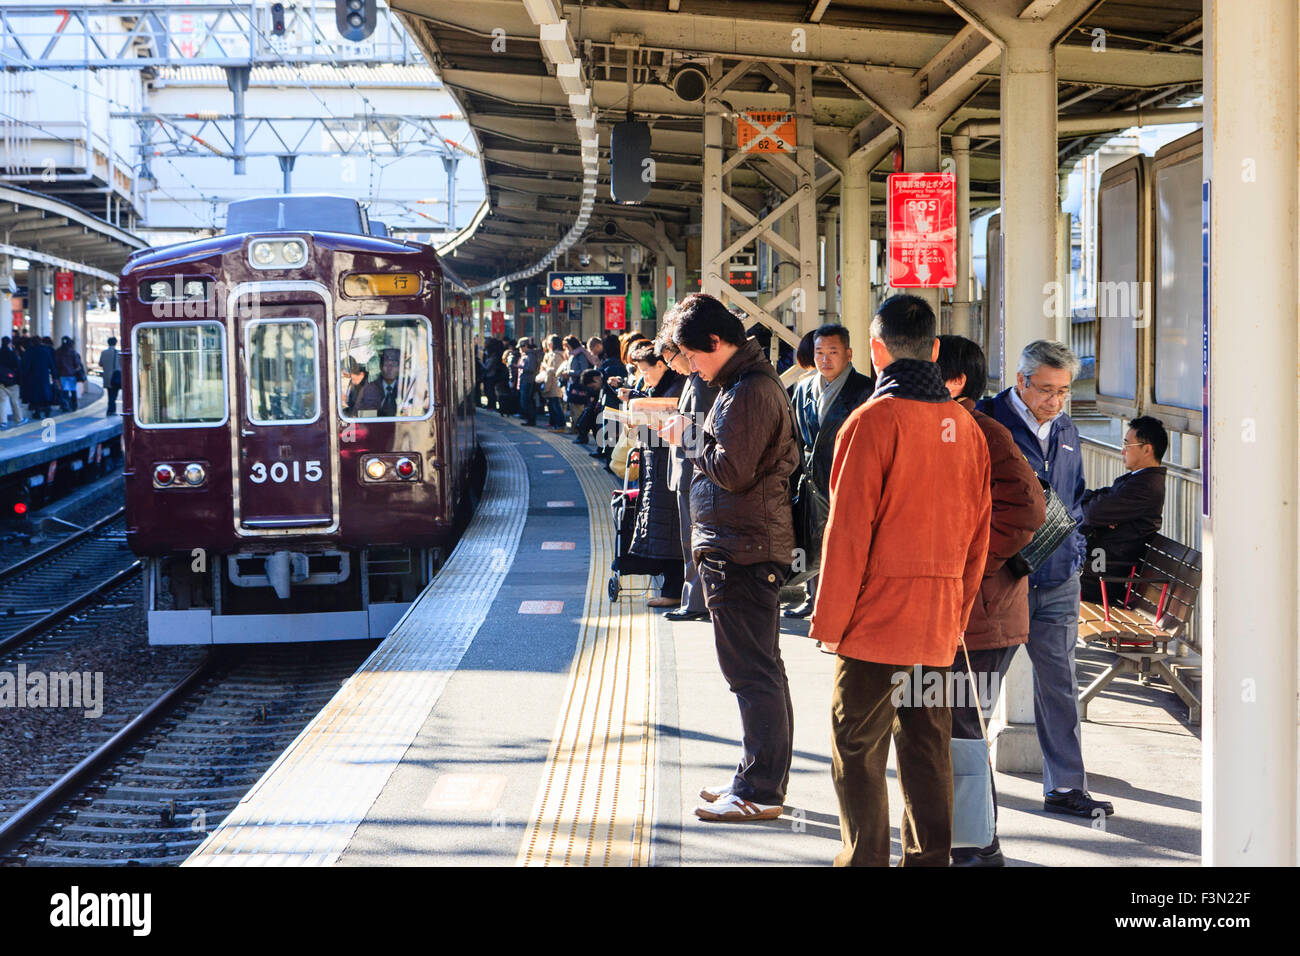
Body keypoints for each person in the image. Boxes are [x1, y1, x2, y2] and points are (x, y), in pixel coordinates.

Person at [810, 295, 991, 867]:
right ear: (935, 351)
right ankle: (928, 861)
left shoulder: (870, 422)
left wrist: (830, 622)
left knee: (857, 745)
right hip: (938, 622)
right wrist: (955, 616)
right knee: (927, 747)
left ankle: (863, 861)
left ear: (876, 350)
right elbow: (979, 538)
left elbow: (847, 534)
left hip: (873, 623)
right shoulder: (966, 428)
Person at [658, 293, 799, 823]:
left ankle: (761, 790)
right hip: (741, 544)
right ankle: (755, 776)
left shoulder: (751, 391)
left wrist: (685, 435)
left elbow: (733, 470)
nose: (690, 366)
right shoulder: (741, 385)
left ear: (716, 342)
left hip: (743, 547)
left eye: (693, 356)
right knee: (758, 670)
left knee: (752, 673)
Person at [976, 340, 1114, 819]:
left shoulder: (1068, 429)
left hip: (1057, 581)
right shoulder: (985, 421)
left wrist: (1073, 554)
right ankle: (970, 788)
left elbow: (1074, 500)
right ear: (1021, 381)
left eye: (1063, 391)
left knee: (1060, 684)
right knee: (980, 688)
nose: (1054, 401)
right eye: (1046, 390)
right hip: (1003, 581)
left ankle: (1065, 788)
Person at [937, 334, 1045, 867]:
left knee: (961, 729)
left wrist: (968, 563)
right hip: (973, 614)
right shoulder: (959, 429)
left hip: (981, 615)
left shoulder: (982, 431)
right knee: (954, 725)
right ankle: (970, 843)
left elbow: (1027, 510)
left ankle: (980, 849)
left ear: (955, 382)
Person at [785, 323, 874, 619]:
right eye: (819, 352)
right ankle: (813, 600)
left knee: (842, 546)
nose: (825, 358)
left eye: (833, 352)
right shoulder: (802, 388)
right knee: (810, 539)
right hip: (810, 479)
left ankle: (839, 605)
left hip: (847, 480)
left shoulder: (866, 390)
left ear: (848, 354)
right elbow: (795, 437)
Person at [656, 326, 718, 623]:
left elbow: (703, 431)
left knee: (691, 540)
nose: (672, 367)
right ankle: (694, 599)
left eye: (673, 360)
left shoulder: (702, 384)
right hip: (686, 471)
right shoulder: (694, 381)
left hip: (693, 471)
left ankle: (696, 601)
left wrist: (677, 431)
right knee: (688, 539)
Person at [1079, 416, 1169, 602]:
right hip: (1101, 562)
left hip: (1106, 569)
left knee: (1049, 574)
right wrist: (1102, 515)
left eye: (1128, 446)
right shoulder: (1138, 479)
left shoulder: (1145, 486)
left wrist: (1099, 514)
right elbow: (1095, 499)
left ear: (1147, 449)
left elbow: (1093, 513)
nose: (1122, 451)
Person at [624, 340, 686, 609]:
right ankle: (672, 588)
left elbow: (677, 435)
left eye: (646, 372)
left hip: (668, 470)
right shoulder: (663, 388)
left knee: (671, 530)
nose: (643, 378)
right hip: (659, 469)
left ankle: (674, 591)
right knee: (667, 529)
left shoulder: (675, 390)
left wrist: (640, 425)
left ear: (662, 365)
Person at [20, 336, 58, 420]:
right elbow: (51, 365)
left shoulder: (29, 351)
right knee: (45, 393)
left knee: (35, 395)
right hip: (44, 376)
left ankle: (37, 412)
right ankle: (47, 409)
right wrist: (55, 376)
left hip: (32, 377)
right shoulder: (45, 351)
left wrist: (24, 377)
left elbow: (26, 366)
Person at [360, 348, 403, 417]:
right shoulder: (370, 388)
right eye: (386, 364)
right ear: (380, 367)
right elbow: (362, 414)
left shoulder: (406, 387)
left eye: (394, 365)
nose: (390, 368)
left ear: (399, 368)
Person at [536, 335, 566, 430]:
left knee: (556, 404)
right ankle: (553, 423)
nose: (548, 344)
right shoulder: (550, 353)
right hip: (549, 382)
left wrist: (546, 367)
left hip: (555, 383)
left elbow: (557, 369)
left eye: (550, 342)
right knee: (551, 404)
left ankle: (560, 425)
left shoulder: (557, 355)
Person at [55, 336, 85, 412]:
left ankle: (65, 406)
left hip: (62, 374)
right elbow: (77, 364)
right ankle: (74, 405)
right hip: (72, 374)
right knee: (73, 390)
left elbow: (56, 364)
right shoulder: (73, 352)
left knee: (64, 390)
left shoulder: (58, 352)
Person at [0, 335, 25, 427]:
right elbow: (18, 368)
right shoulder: (12, 354)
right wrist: (20, 381)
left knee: (1, 402)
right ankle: (19, 419)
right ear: (9, 343)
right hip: (13, 381)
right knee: (15, 401)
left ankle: (3, 421)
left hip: (1, 382)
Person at [517, 338, 540, 426]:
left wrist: (520, 367)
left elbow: (531, 368)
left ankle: (531, 420)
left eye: (521, 347)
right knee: (526, 401)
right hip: (526, 380)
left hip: (528, 381)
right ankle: (529, 420)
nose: (520, 349)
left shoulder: (531, 356)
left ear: (526, 346)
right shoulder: (527, 355)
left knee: (526, 401)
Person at [99, 336, 121, 416]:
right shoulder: (118, 353)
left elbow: (100, 363)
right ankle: (112, 410)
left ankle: (110, 410)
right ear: (115, 343)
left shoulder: (103, 353)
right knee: (114, 395)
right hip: (116, 377)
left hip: (107, 377)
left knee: (110, 394)